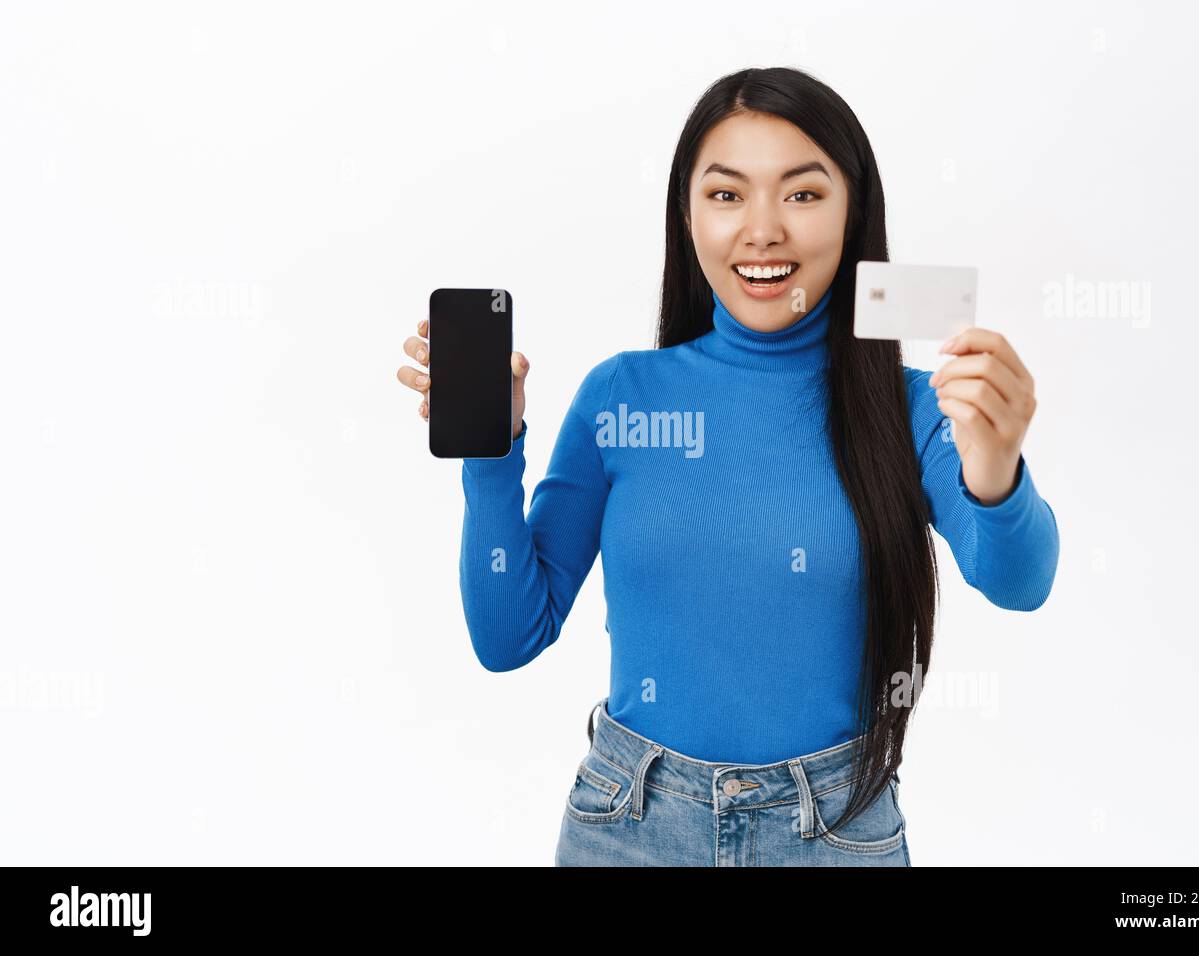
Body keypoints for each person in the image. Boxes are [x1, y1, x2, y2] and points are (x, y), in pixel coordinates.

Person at [396, 66, 1059, 866]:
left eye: (804, 195)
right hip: (629, 826)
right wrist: (491, 456)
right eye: (727, 195)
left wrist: (997, 470)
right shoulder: (621, 397)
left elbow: (1019, 583)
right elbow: (507, 638)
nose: (763, 230)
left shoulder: (912, 407)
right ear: (687, 216)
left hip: (836, 831)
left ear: (854, 215)